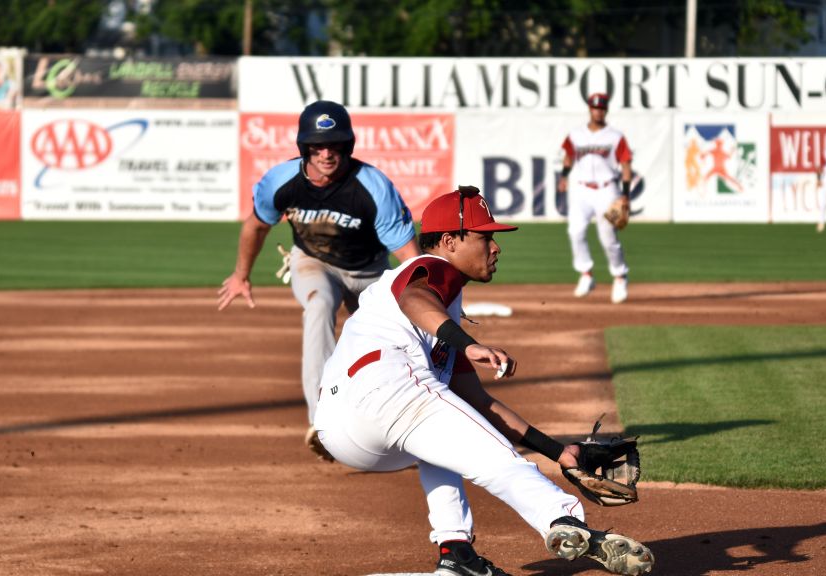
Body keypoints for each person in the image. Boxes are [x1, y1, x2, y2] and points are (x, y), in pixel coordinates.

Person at [313, 186, 654, 576]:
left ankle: (456, 552)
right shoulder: (429, 269)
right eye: (484, 236)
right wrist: (468, 345)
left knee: (441, 441)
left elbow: (475, 399)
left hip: (342, 428)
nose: (495, 248)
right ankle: (562, 520)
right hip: (382, 383)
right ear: (449, 241)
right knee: (491, 455)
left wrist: (556, 451)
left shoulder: (443, 313)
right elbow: (414, 299)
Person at [217, 100, 420, 461]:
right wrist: (240, 275)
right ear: (304, 147)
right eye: (318, 145)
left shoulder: (372, 186)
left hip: (370, 270)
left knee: (391, 337)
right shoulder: (282, 182)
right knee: (319, 304)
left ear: (347, 145)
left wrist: (425, 297)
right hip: (314, 262)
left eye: (335, 145)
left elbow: (408, 254)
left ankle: (404, 417)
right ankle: (322, 423)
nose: (326, 153)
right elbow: (256, 226)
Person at [557, 93, 633, 304]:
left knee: (608, 237)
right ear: (589, 109)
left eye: (601, 108)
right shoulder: (576, 135)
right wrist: (563, 176)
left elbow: (626, 164)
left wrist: (625, 195)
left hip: (607, 189)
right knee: (575, 231)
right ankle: (586, 274)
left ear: (605, 110)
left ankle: (619, 276)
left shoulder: (615, 136)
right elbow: (569, 156)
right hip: (581, 189)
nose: (598, 111)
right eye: (594, 107)